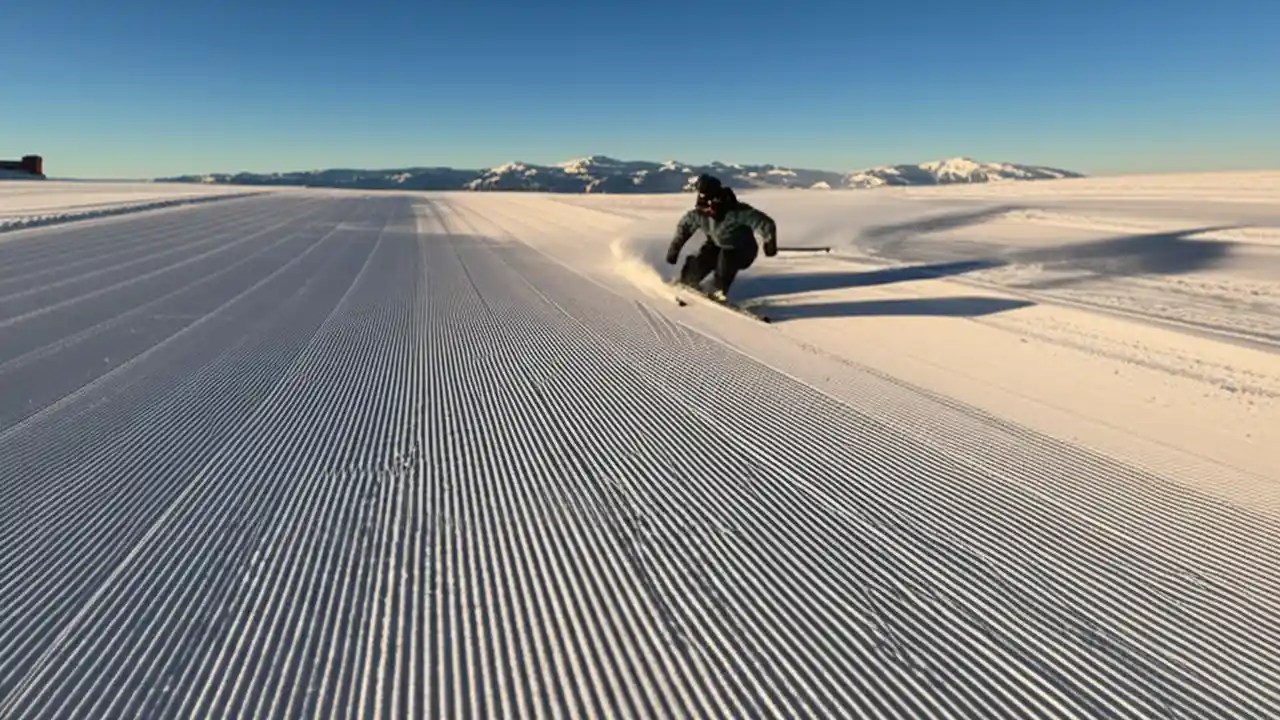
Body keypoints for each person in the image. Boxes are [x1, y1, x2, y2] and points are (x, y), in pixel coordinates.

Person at [666, 174, 778, 301]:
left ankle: (718, 291)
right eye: (704, 207)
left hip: (741, 251)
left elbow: (766, 223)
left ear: (718, 200)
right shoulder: (700, 214)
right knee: (702, 260)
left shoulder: (738, 212)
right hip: (716, 246)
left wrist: (770, 243)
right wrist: (674, 249)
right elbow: (684, 227)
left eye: (710, 206)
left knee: (726, 258)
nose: (708, 211)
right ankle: (688, 282)